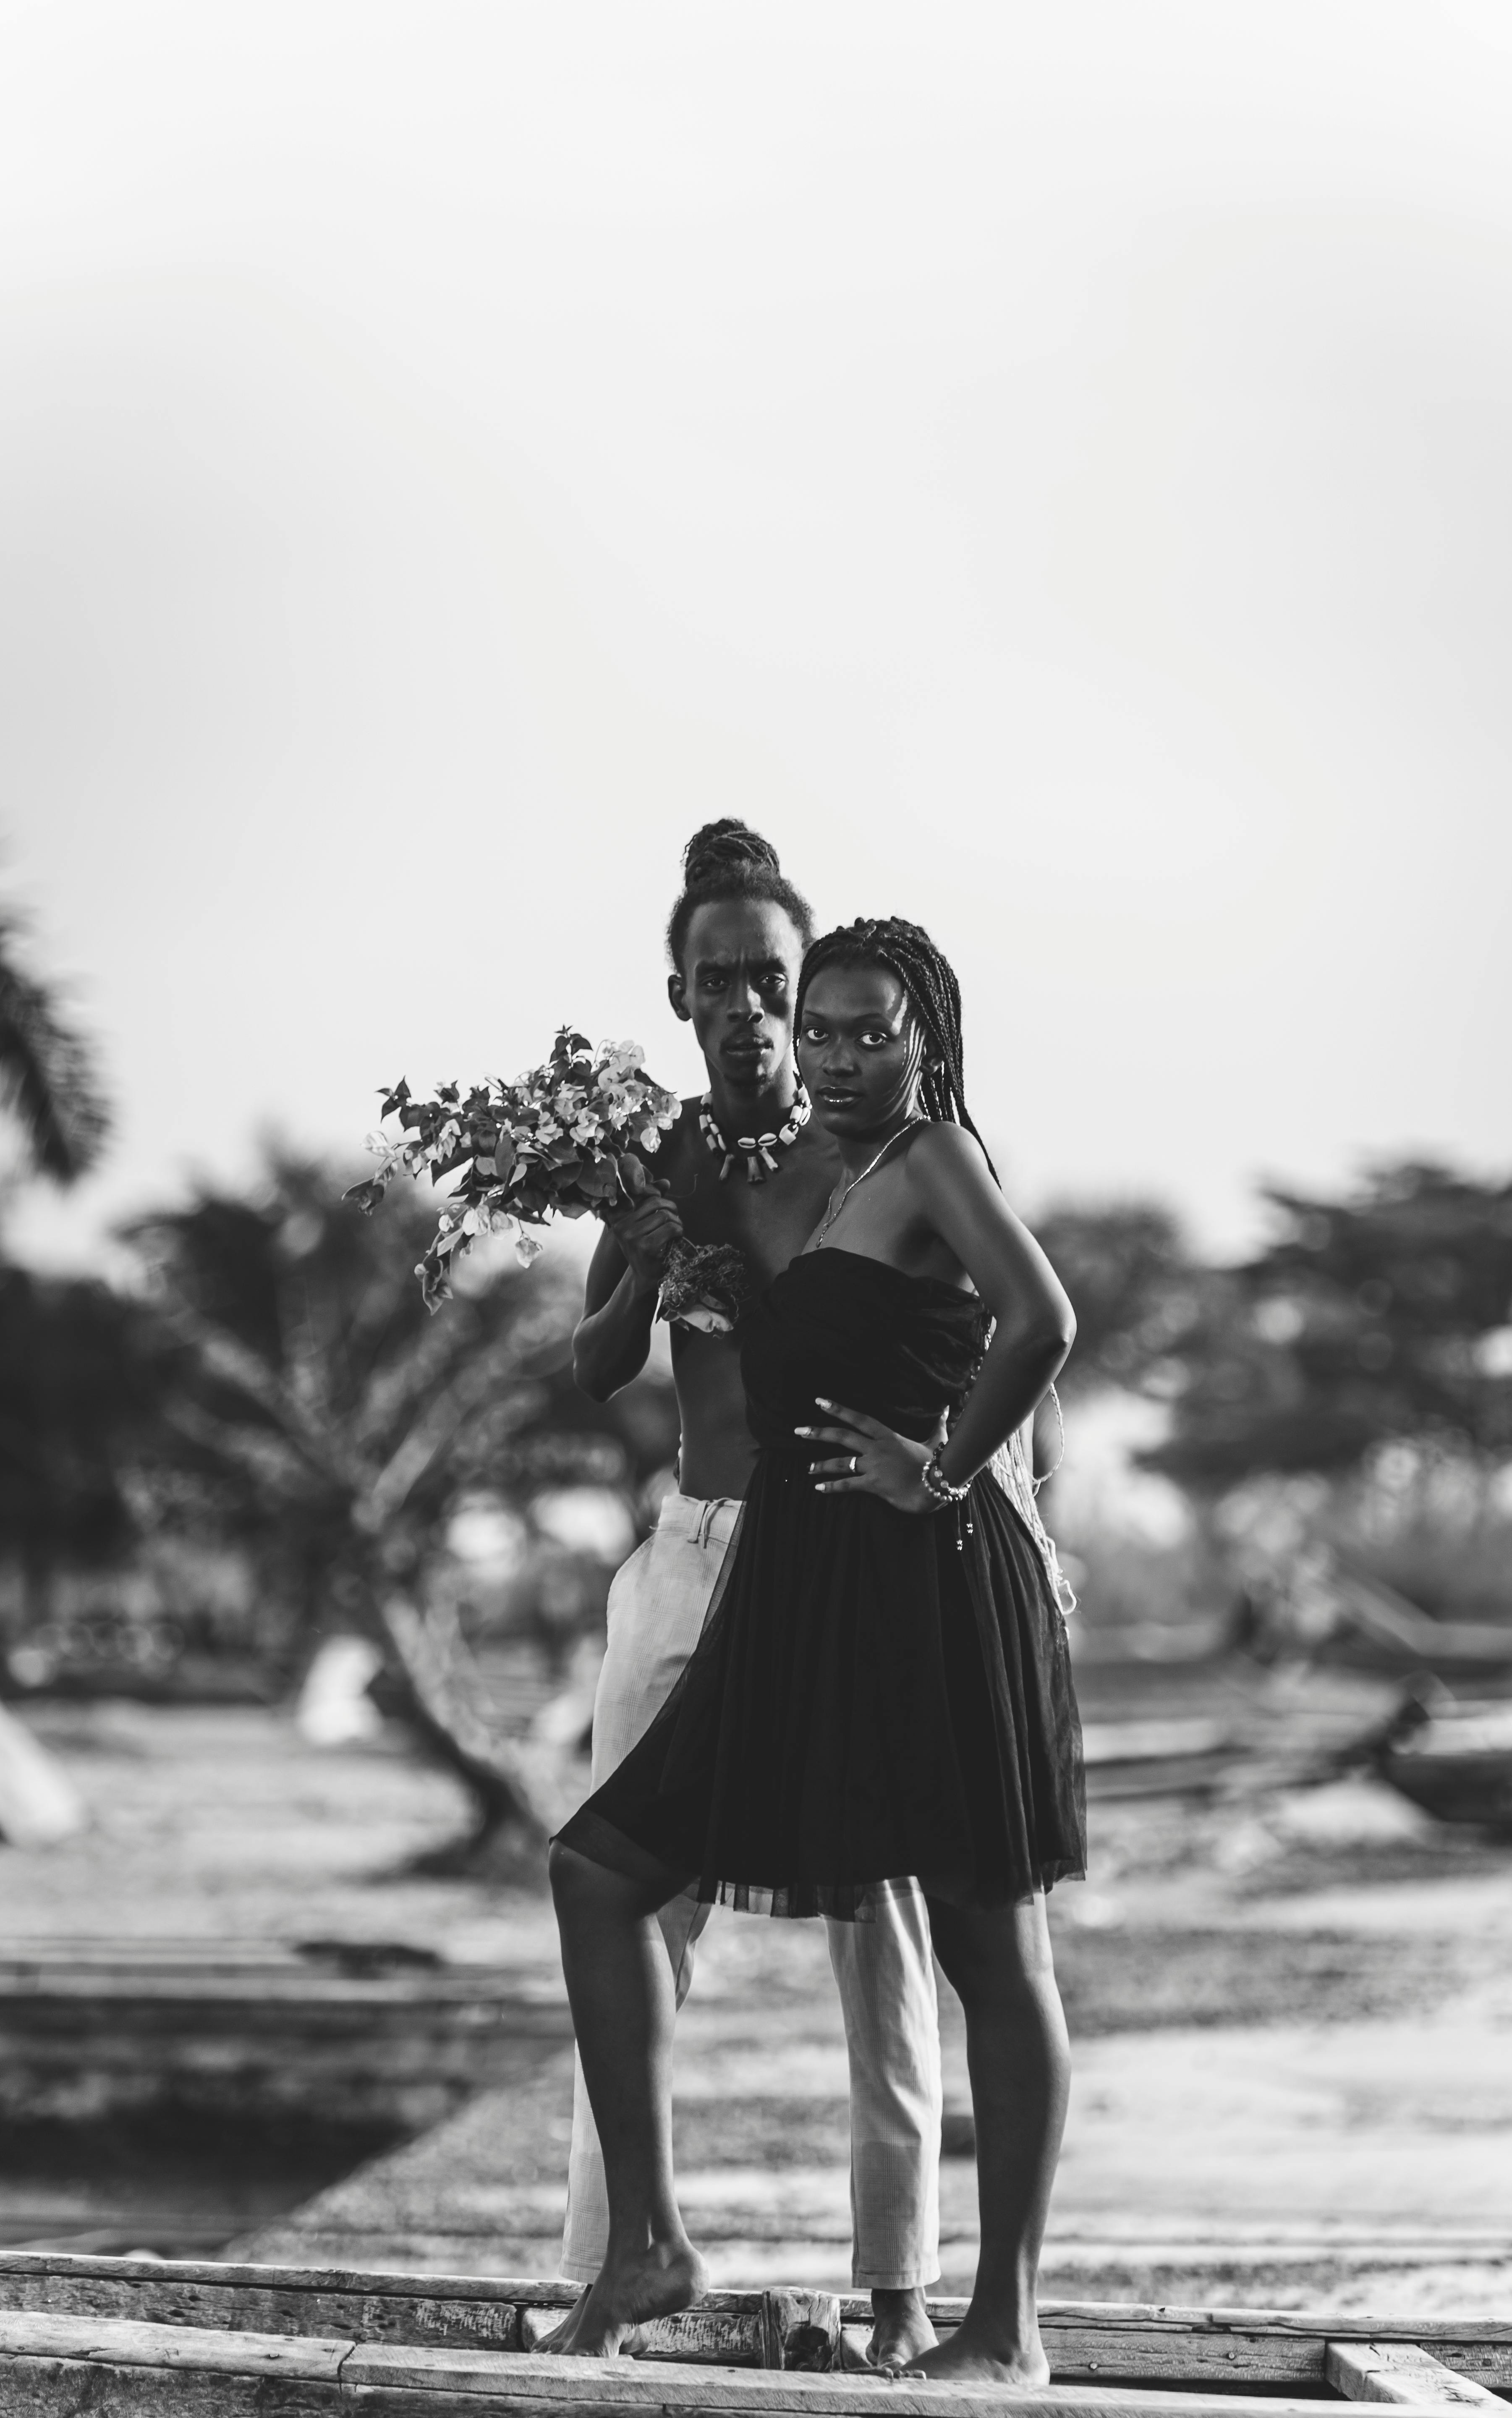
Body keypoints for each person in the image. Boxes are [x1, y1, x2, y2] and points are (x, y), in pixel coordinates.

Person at [549, 914, 1085, 2381]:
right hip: (804, 1597)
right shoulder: (830, 1177)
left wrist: (947, 1468)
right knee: (599, 1874)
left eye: (869, 1031)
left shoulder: (931, 1161)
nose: (843, 1055)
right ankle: (646, 2244)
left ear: (928, 1040)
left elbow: (1045, 1323)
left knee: (989, 1949)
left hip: (929, 1593)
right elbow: (628, 1362)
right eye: (830, 1031)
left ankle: (1004, 2325)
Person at [542, 831, 944, 2370]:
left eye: (770, 980)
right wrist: (646, 1261)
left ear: (808, 989)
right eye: (714, 983)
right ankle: (613, 2259)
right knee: (630, 1900)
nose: (745, 1009)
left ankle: (900, 2298)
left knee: (880, 1916)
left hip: (834, 1554)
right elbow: (594, 1370)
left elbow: (956, 1341)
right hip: (691, 1548)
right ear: (677, 994)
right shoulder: (652, 1157)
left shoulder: (876, 1147)